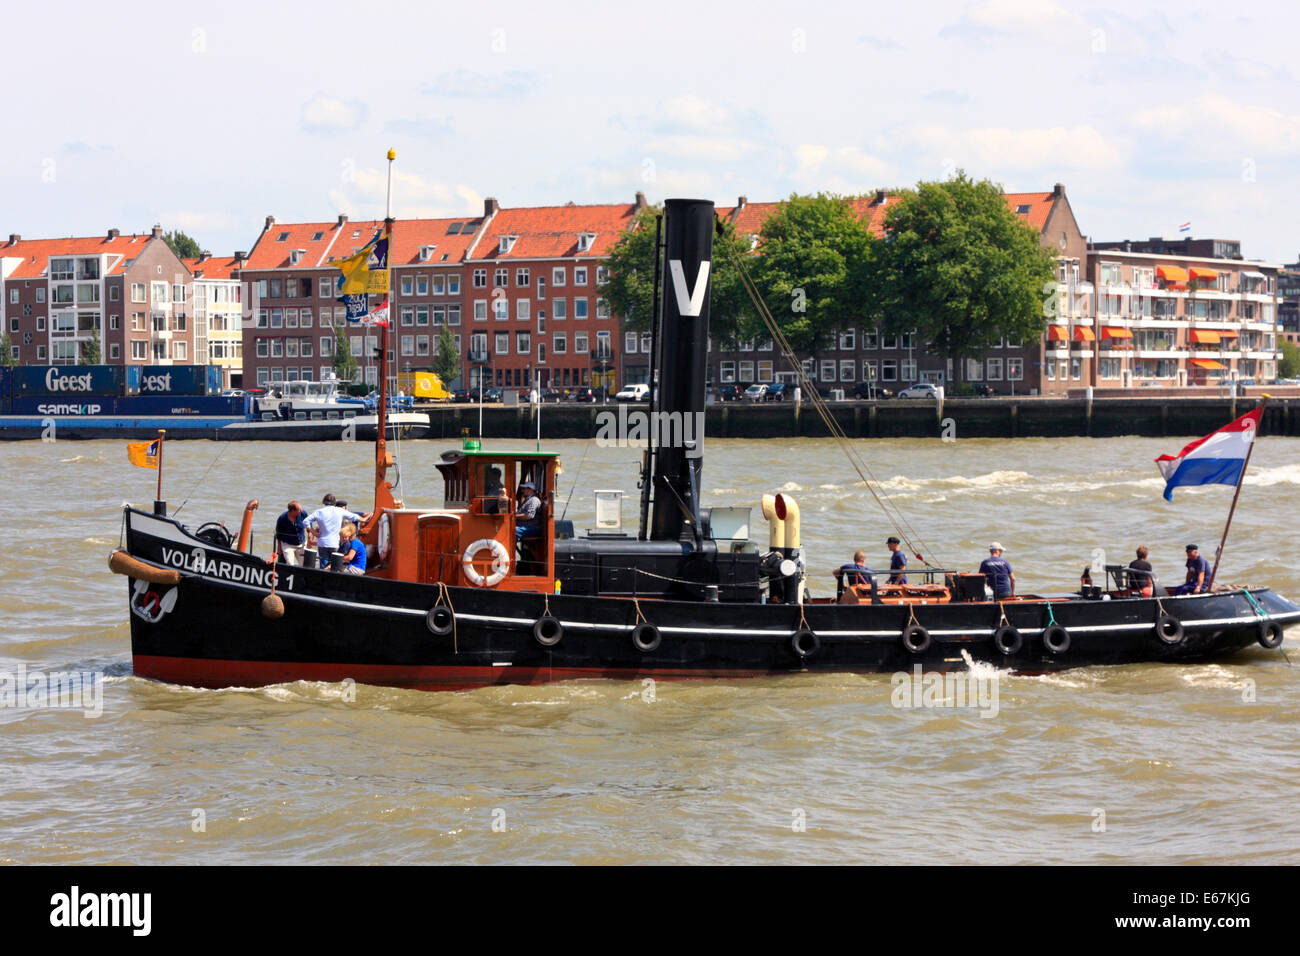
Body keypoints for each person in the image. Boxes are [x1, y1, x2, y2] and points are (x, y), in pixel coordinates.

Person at [306, 493, 367, 568]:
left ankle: (323, 578)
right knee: (335, 565)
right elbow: (354, 516)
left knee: (323, 566)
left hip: (322, 542)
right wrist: (364, 520)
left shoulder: (319, 512)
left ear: (324, 502)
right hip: (335, 542)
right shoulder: (339, 511)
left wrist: (313, 532)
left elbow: (306, 521)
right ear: (334, 502)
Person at [274, 501, 308, 567]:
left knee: (304, 564)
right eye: (299, 510)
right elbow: (278, 533)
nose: (301, 510)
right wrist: (279, 547)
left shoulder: (303, 514)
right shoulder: (282, 518)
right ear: (292, 511)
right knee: (290, 564)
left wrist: (310, 537)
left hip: (301, 544)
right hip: (287, 545)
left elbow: (308, 525)